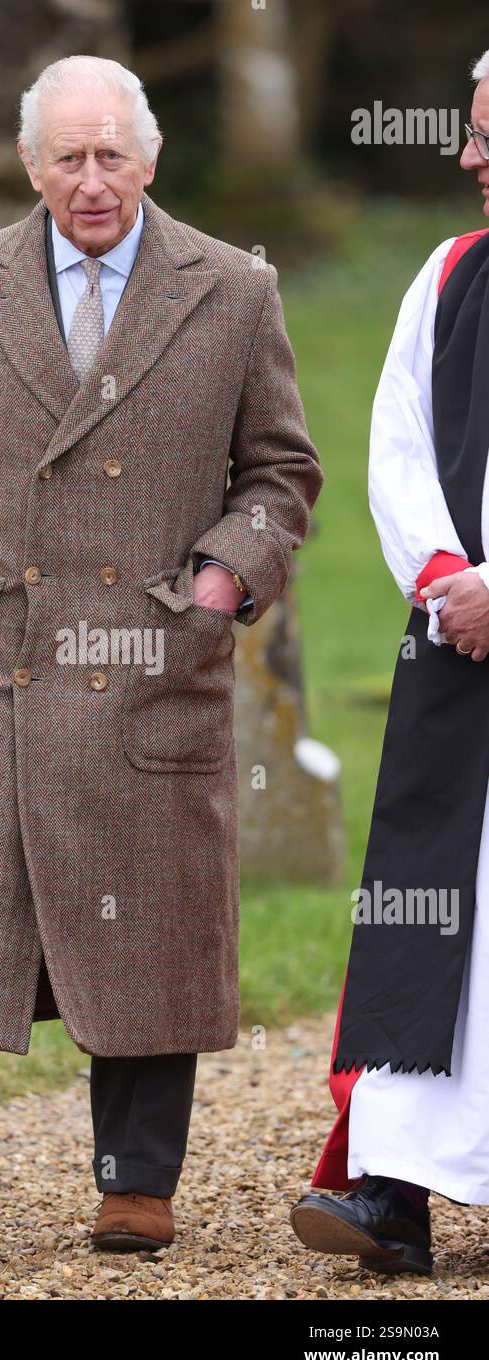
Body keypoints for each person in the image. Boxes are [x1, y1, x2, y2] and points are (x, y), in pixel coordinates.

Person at [0, 54, 321, 1260]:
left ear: (149, 158)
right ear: (29, 163)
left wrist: (218, 580)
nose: (90, 180)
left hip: (151, 651)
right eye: (67, 156)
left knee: (146, 908)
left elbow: (278, 471)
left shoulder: (232, 288)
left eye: (112, 155)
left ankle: (131, 1181)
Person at [290, 49, 489, 1277]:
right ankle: (395, 1191)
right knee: (429, 904)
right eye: (471, 131)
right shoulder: (450, 272)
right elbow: (395, 440)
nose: (468, 157)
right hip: (457, 647)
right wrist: (446, 578)